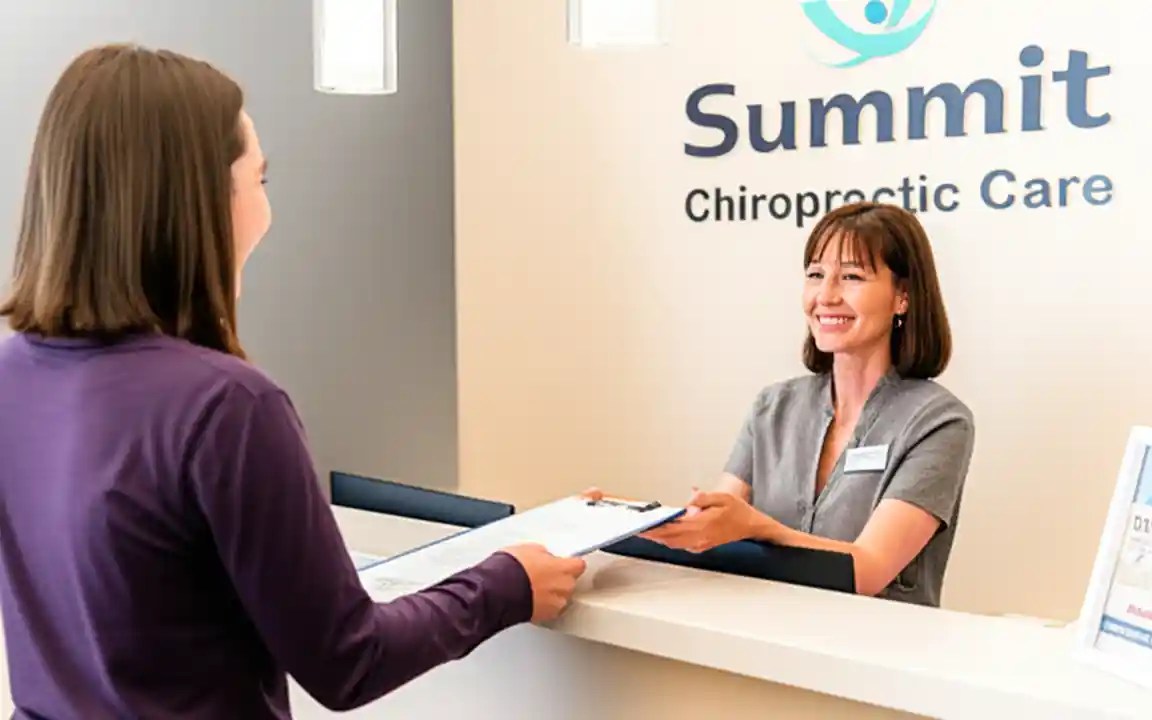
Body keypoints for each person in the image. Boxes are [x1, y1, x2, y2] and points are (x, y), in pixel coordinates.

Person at [0, 44, 585, 718]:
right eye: (260, 181)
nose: (267, 211)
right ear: (199, 200)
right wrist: (506, 583)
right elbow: (349, 660)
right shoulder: (227, 406)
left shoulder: (15, 373)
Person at [588, 202, 974, 607]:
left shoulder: (939, 422)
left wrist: (757, 527)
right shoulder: (773, 407)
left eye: (852, 276)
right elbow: (709, 530)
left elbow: (868, 570)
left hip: (880, 652)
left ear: (903, 296)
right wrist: (623, 521)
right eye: (815, 275)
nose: (826, 296)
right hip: (771, 639)